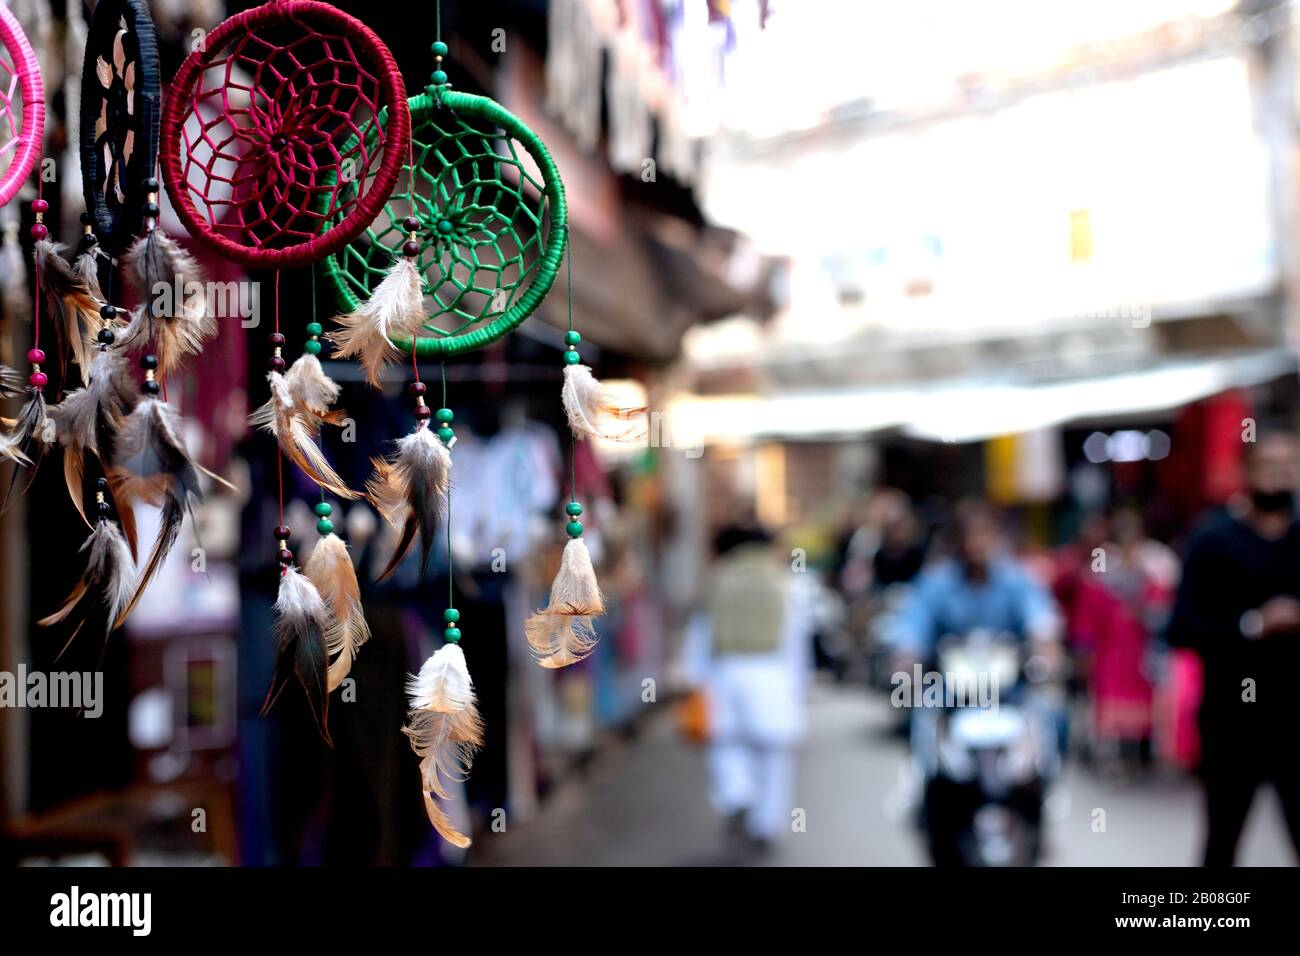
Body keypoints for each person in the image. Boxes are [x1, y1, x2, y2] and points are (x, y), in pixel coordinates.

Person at [1166, 427, 1300, 866]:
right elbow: (1181, 628)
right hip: (1232, 720)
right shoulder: (1212, 540)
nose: (1279, 476)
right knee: (1223, 840)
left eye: (1288, 465)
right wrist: (1252, 625)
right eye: (1269, 466)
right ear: (1246, 471)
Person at [683, 524, 813, 860]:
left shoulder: (716, 583)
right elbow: (795, 640)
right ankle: (765, 825)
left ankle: (736, 796)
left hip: (725, 673)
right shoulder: (785, 583)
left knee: (727, 744)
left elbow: (699, 639)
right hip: (772, 674)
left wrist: (696, 681)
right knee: (773, 755)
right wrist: (799, 684)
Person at [890, 501, 1062, 667]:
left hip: (1008, 679)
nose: (976, 545)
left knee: (1043, 697)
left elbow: (1038, 613)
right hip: (948, 678)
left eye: (983, 535)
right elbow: (915, 621)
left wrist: (1045, 644)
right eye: (968, 536)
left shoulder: (1016, 578)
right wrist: (907, 654)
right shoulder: (937, 581)